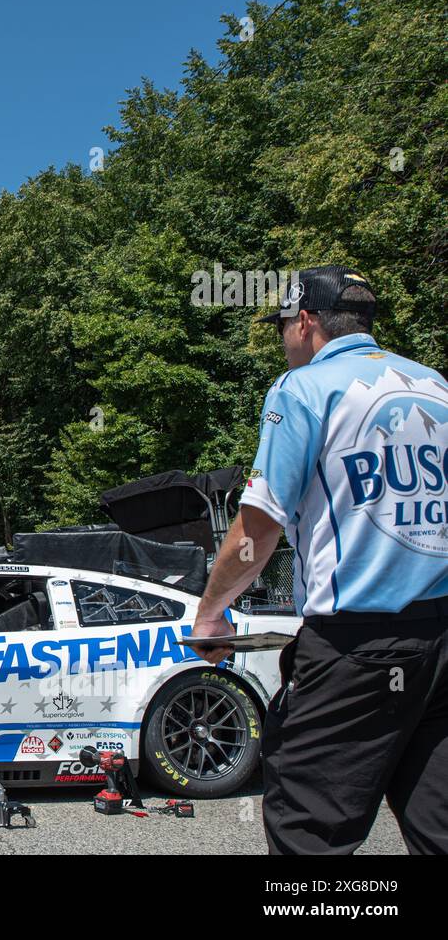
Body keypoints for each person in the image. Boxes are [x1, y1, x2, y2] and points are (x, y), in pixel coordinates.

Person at [190, 266, 448, 855]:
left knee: (309, 829)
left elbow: (260, 524)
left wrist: (212, 612)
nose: (282, 339)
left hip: (357, 645)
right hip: (442, 639)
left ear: (305, 322)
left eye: (281, 325)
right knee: (440, 824)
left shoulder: (303, 388)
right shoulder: (434, 385)